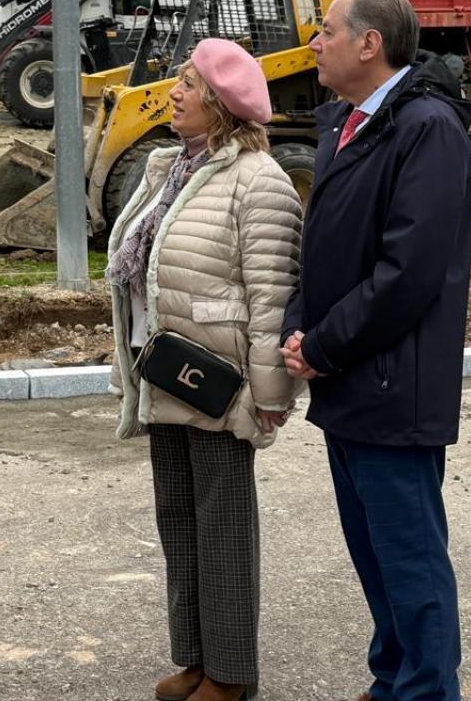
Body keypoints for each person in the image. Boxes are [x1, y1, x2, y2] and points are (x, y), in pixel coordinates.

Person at [281, 0, 471, 701]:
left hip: (393, 382)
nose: (315, 42)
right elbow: (324, 248)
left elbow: (408, 273)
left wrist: (323, 346)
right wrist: (299, 330)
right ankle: (392, 677)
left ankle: (425, 690)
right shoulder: (347, 122)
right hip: (348, 378)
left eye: (327, 30)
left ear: (370, 44)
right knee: (375, 554)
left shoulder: (426, 128)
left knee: (411, 559)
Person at [106, 38, 303, 701]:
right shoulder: (168, 167)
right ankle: (194, 658)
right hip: (162, 374)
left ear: (222, 103)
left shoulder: (260, 181)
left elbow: (272, 296)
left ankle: (231, 673)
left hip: (220, 385)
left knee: (223, 527)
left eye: (188, 83)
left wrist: (268, 395)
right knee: (179, 517)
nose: (174, 92)